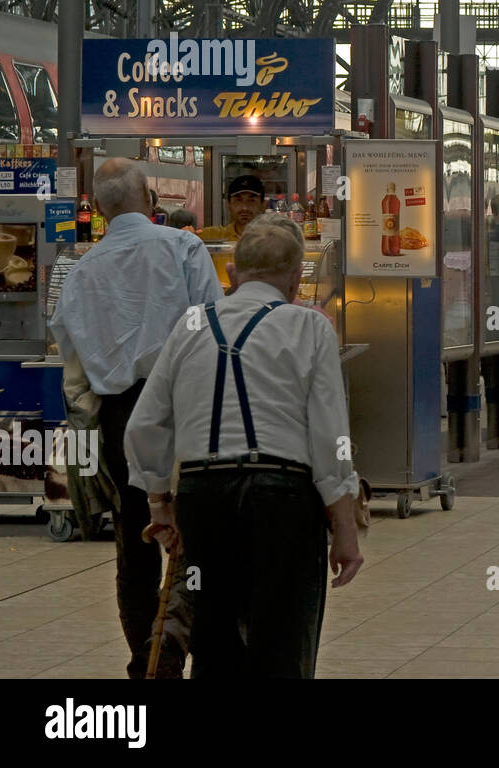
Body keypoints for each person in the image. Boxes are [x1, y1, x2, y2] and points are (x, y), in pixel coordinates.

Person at [124, 214, 363, 678]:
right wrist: (346, 527)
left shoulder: (192, 324)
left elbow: (146, 423)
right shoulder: (310, 328)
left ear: (232, 273)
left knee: (212, 638)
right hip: (283, 500)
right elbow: (331, 439)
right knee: (282, 642)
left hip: (202, 497)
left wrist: (160, 504)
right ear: (296, 278)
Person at [49, 158, 224, 679]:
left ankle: (145, 660)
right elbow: (214, 330)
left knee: (137, 539)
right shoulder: (185, 249)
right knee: (195, 535)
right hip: (182, 407)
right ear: (150, 200)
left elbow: (69, 350)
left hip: (119, 418)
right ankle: (180, 643)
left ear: (99, 213)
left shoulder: (81, 271)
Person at [199, 174, 269, 242]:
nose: (244, 208)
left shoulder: (272, 238)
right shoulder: (212, 236)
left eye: (251, 201)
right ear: (228, 204)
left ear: (263, 205)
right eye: (238, 200)